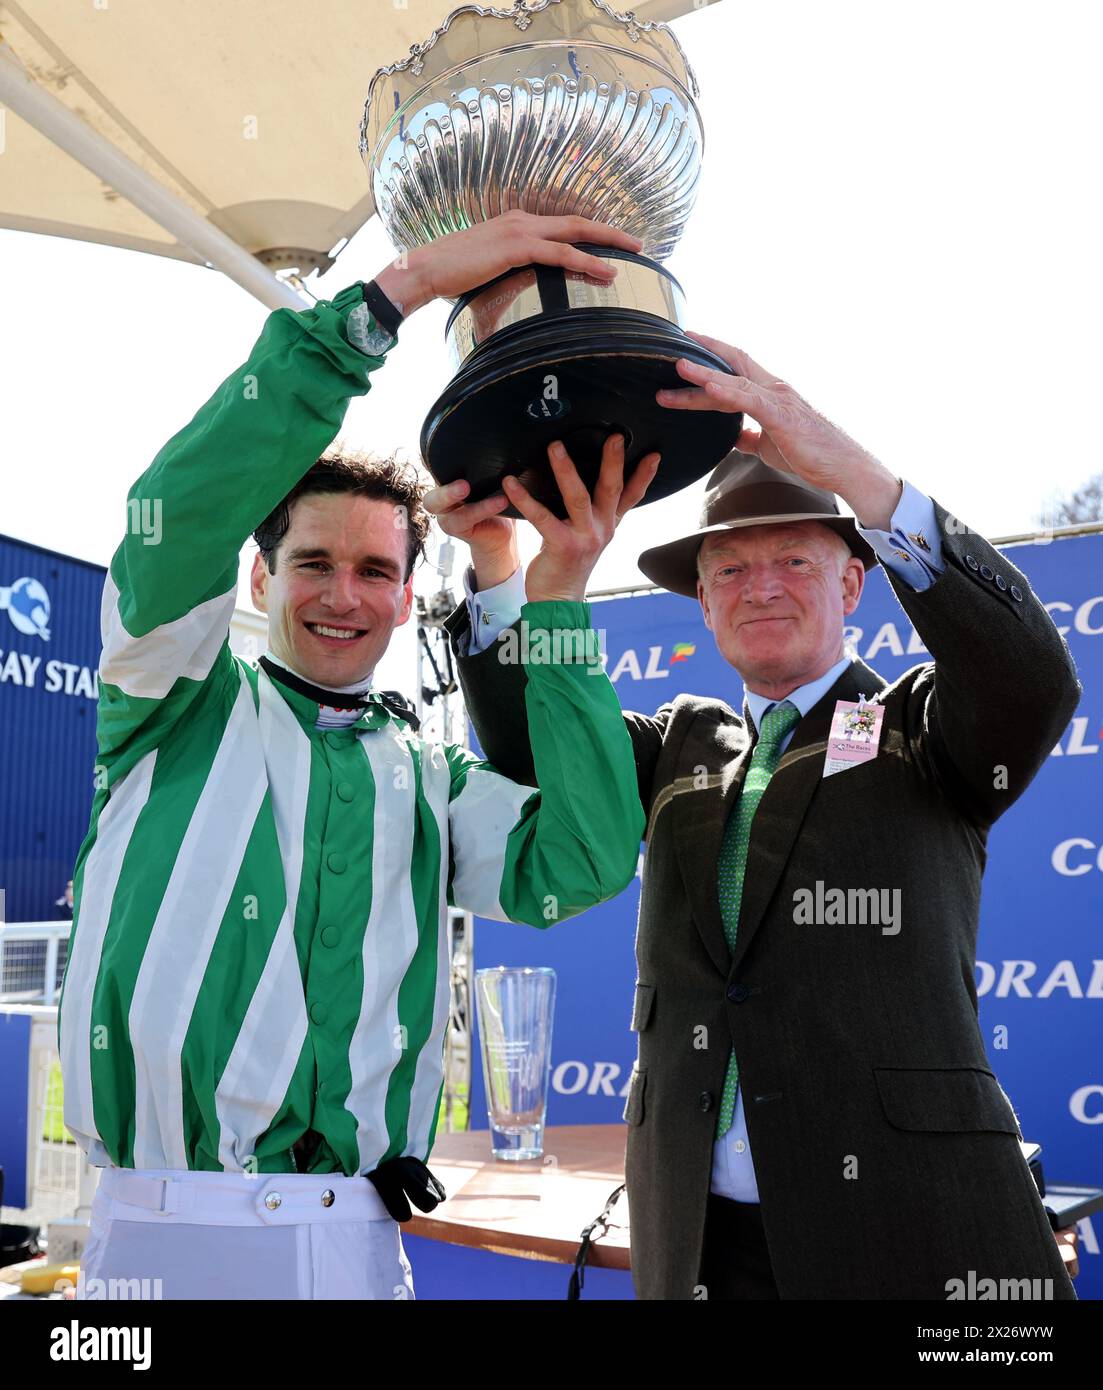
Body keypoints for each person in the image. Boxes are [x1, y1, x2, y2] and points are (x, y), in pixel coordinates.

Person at [58, 211, 654, 1301]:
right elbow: (170, 516)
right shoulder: (171, 701)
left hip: (358, 1250)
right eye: (314, 561)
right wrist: (399, 290)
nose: (344, 595)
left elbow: (584, 859)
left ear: (405, 594)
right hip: (159, 1240)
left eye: (377, 571)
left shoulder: (427, 776)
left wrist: (548, 592)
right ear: (256, 580)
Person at [435, 335, 1082, 1300]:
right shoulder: (678, 740)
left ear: (854, 582)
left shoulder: (916, 726)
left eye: (792, 558)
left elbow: (1029, 681)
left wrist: (854, 476)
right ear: (701, 600)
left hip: (904, 1233)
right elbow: (542, 758)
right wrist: (499, 568)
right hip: (697, 1242)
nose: (761, 585)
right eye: (729, 571)